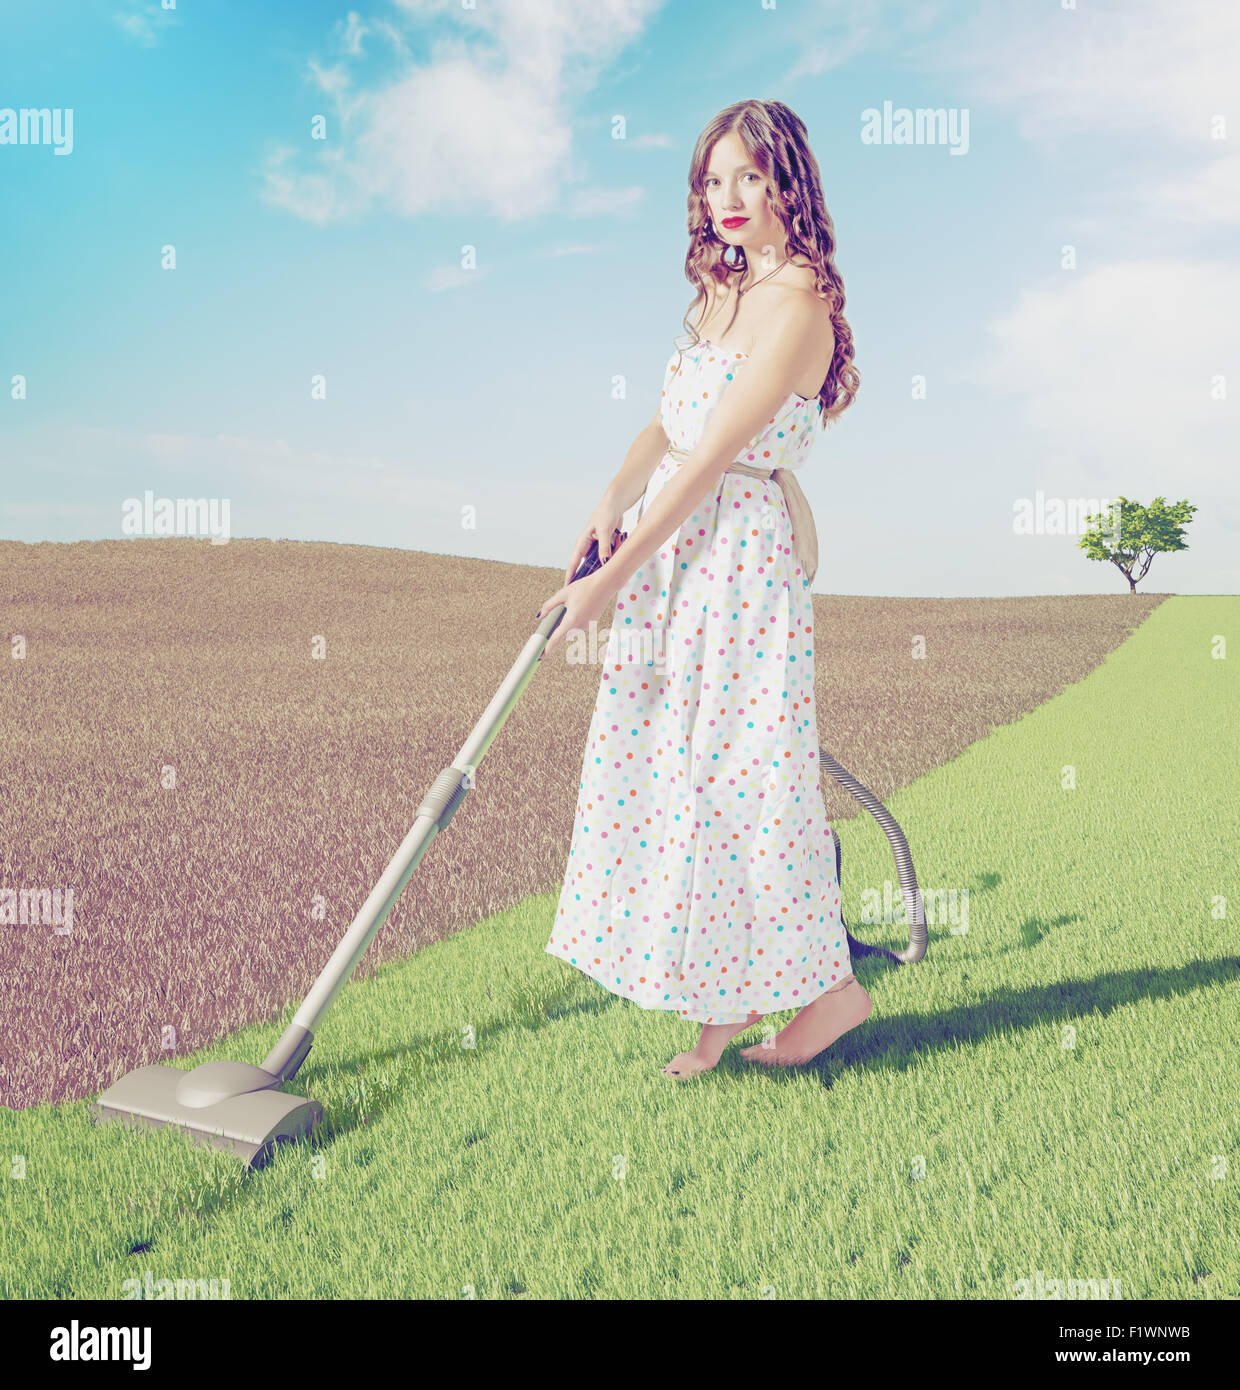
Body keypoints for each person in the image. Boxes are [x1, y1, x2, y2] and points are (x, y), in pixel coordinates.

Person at [536, 99, 872, 1080]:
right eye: (712, 179)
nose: (726, 198)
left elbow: (711, 458)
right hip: (673, 554)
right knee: (678, 780)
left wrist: (605, 587)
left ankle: (830, 992)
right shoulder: (721, 293)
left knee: (744, 781)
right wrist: (610, 496)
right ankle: (717, 1013)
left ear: (788, 183)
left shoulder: (799, 302)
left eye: (748, 177)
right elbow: (667, 427)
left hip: (734, 566)